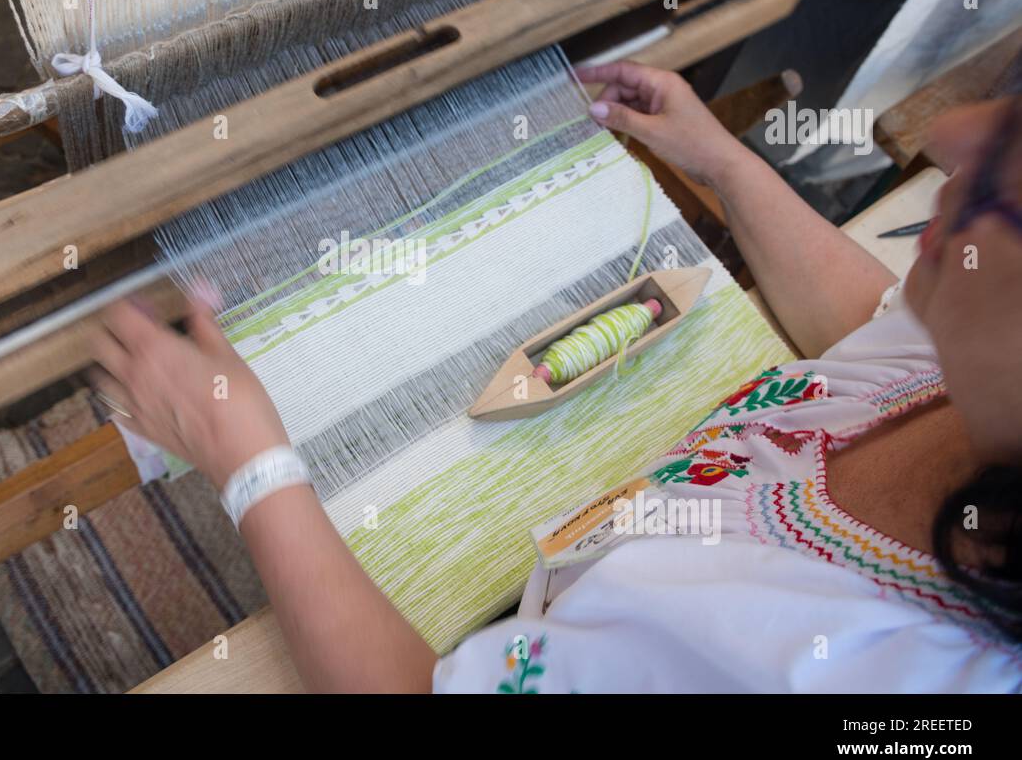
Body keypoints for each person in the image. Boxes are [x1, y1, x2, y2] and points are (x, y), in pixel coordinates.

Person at [90, 61, 1022, 692]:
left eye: (1009, 187)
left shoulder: (830, 670)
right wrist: (723, 165)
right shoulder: (979, 398)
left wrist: (254, 467)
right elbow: (883, 330)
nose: (946, 133)